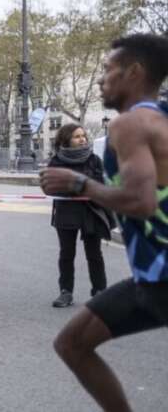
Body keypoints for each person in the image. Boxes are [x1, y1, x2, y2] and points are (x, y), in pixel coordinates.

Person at [40, 34, 168, 412]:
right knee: (72, 343)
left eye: (109, 70)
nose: (101, 79)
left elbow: (141, 202)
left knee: (73, 345)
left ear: (134, 72)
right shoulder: (160, 118)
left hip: (163, 277)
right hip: (152, 278)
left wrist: (78, 183)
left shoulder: (130, 124)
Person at [47, 124, 109, 308]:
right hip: (66, 212)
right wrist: (82, 185)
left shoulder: (94, 159)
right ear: (66, 140)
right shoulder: (57, 161)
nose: (82, 139)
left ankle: (99, 291)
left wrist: (74, 184)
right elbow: (53, 186)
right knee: (67, 253)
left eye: (83, 136)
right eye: (77, 136)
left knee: (94, 254)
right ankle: (66, 292)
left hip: (91, 211)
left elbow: (100, 183)